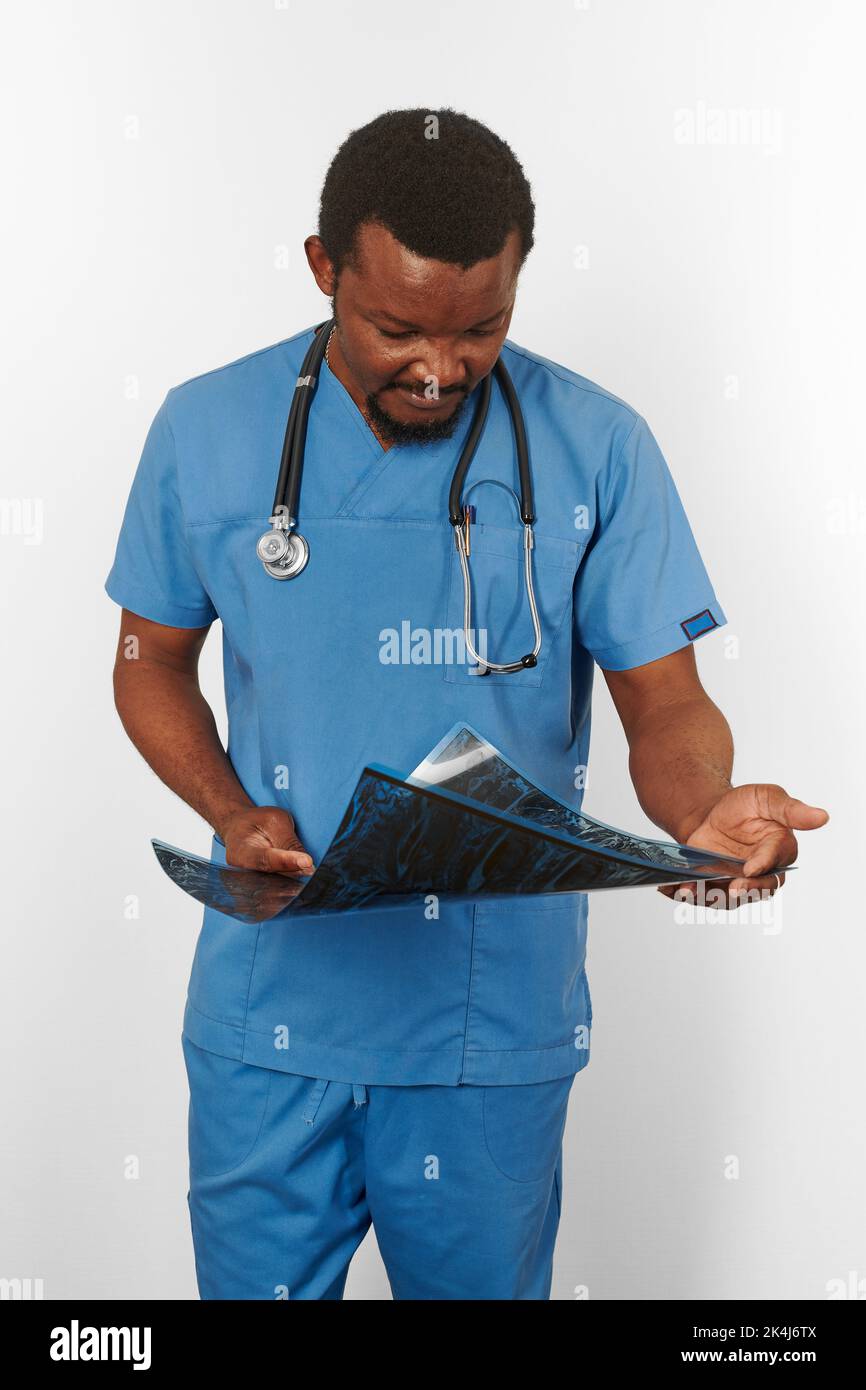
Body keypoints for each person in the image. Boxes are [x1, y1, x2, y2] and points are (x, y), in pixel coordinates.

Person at [105, 107, 828, 1301]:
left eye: (481, 329)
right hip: (268, 1014)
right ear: (321, 269)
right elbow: (147, 664)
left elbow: (665, 709)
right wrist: (230, 812)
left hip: (487, 1025)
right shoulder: (206, 428)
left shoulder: (597, 446)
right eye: (396, 328)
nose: (439, 368)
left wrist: (698, 808)